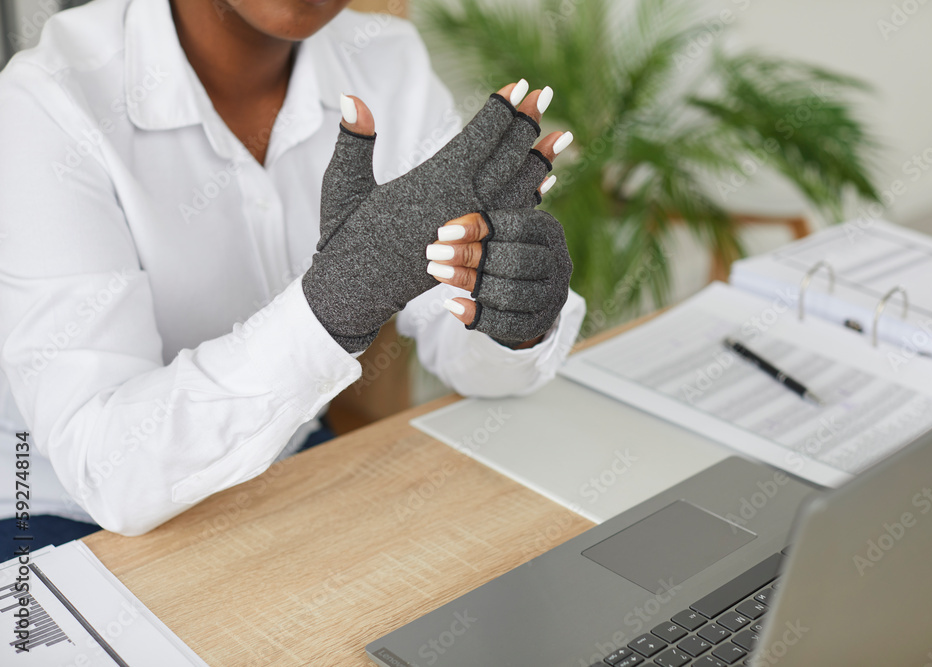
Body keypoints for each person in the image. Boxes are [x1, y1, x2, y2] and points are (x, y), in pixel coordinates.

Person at [0, 0, 585, 541]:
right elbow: (106, 471)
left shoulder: (387, 59)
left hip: (285, 471)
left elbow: (461, 345)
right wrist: (335, 303)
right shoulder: (48, 102)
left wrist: (514, 322)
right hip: (62, 523)